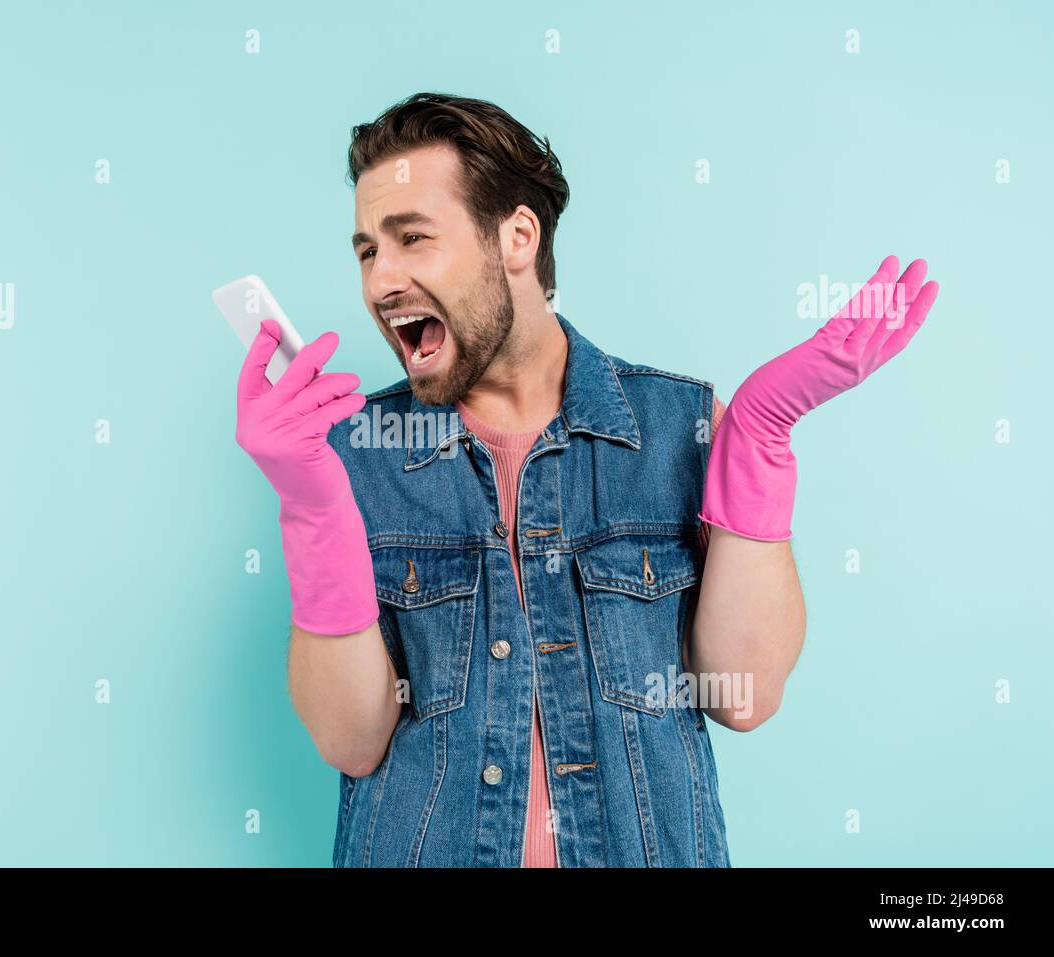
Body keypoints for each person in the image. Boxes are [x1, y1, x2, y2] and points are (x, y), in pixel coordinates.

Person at [234, 92, 939, 867]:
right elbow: (352, 736)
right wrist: (311, 505)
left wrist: (760, 435)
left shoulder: (679, 427)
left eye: (412, 240)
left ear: (517, 237)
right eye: (368, 250)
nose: (381, 281)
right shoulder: (353, 453)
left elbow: (741, 694)